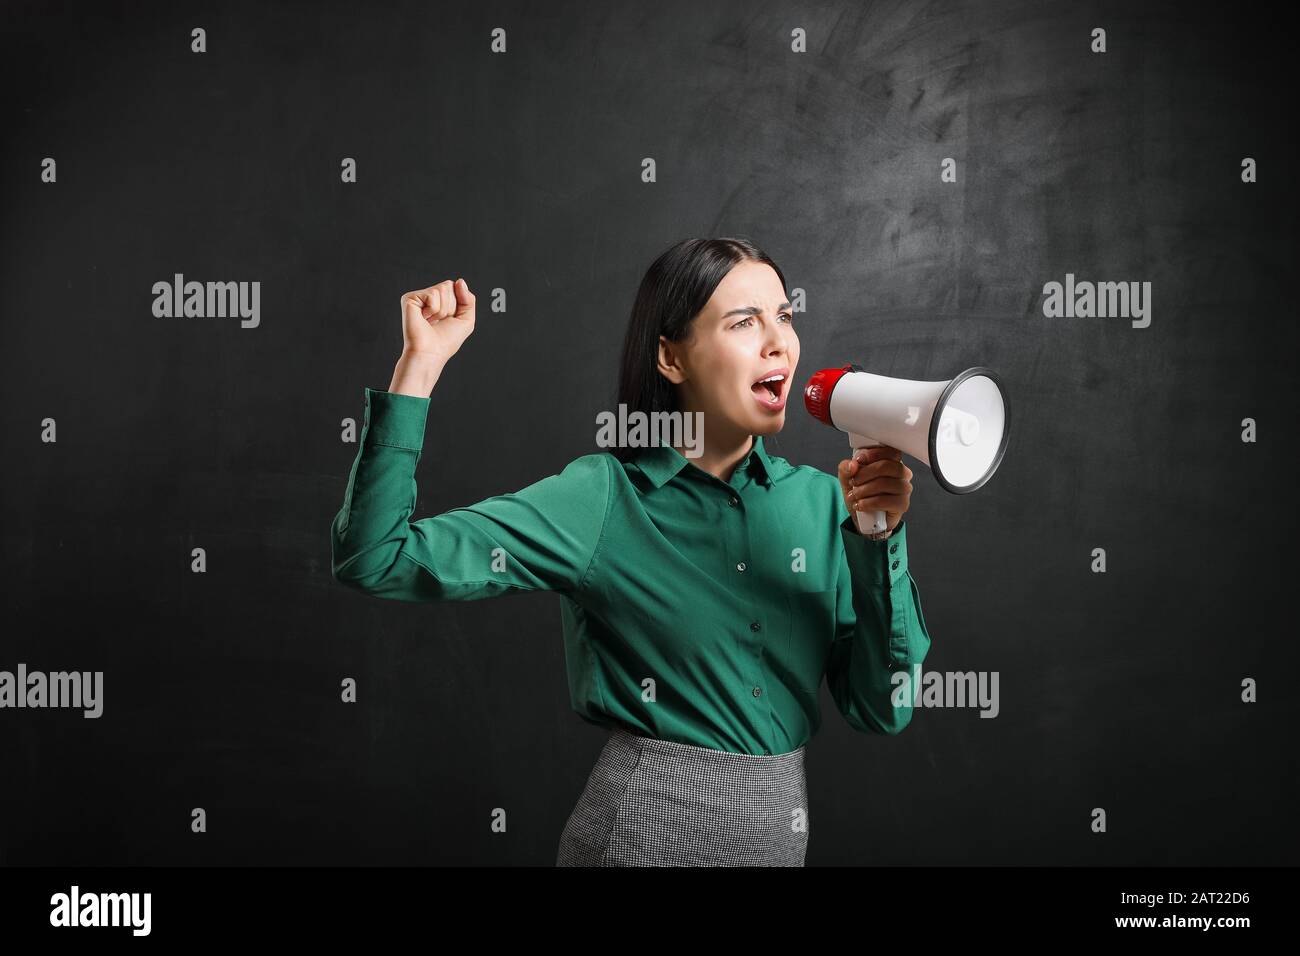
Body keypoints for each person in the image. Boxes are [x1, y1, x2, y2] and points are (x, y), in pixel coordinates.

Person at [330, 237, 932, 866]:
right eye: (744, 321)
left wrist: (876, 537)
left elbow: (881, 710)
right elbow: (376, 557)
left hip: (773, 840)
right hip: (639, 839)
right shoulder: (602, 499)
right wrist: (417, 370)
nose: (779, 341)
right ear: (671, 358)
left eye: (783, 316)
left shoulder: (823, 505)